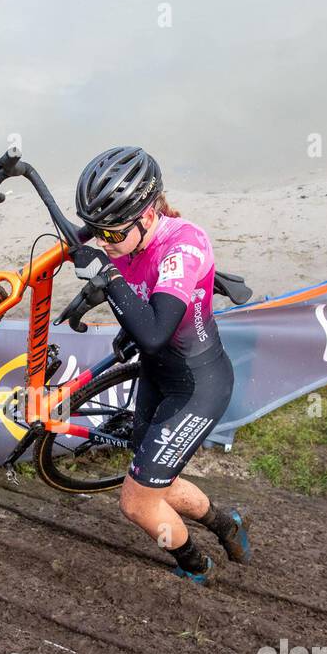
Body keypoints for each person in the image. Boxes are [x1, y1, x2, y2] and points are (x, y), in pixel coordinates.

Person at [70, 145, 250, 585]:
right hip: (157, 375)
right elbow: (90, 240)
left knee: (136, 502)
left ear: (147, 216)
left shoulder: (182, 248)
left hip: (196, 385)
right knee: (157, 482)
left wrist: (109, 279)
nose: (104, 243)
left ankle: (195, 565)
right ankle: (227, 524)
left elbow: (154, 332)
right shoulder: (125, 233)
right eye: (99, 232)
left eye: (112, 235)